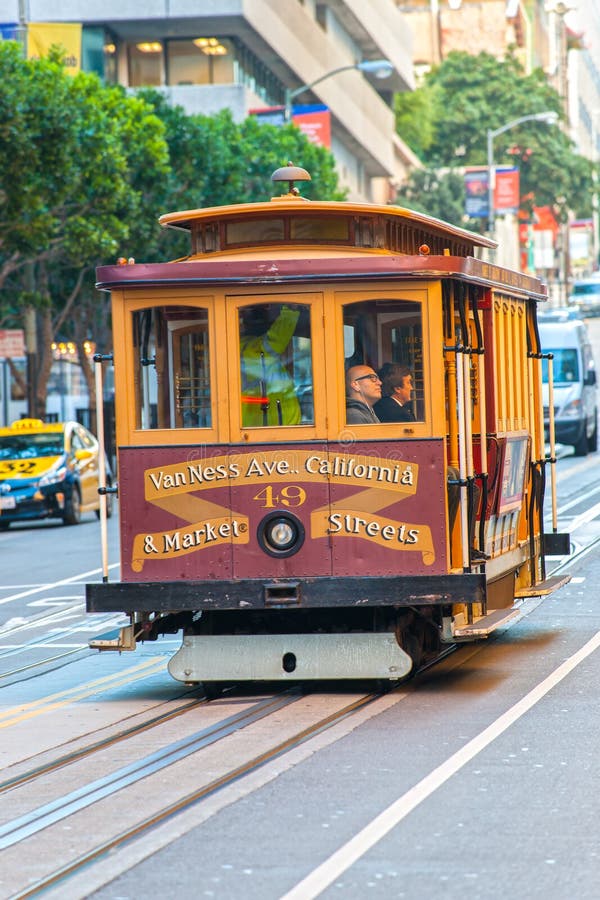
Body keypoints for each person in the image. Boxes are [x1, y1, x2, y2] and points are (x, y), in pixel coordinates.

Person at [240, 304, 301, 426]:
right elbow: (275, 340)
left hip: (272, 426)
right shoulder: (250, 349)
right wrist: (290, 311)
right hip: (265, 428)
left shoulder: (246, 349)